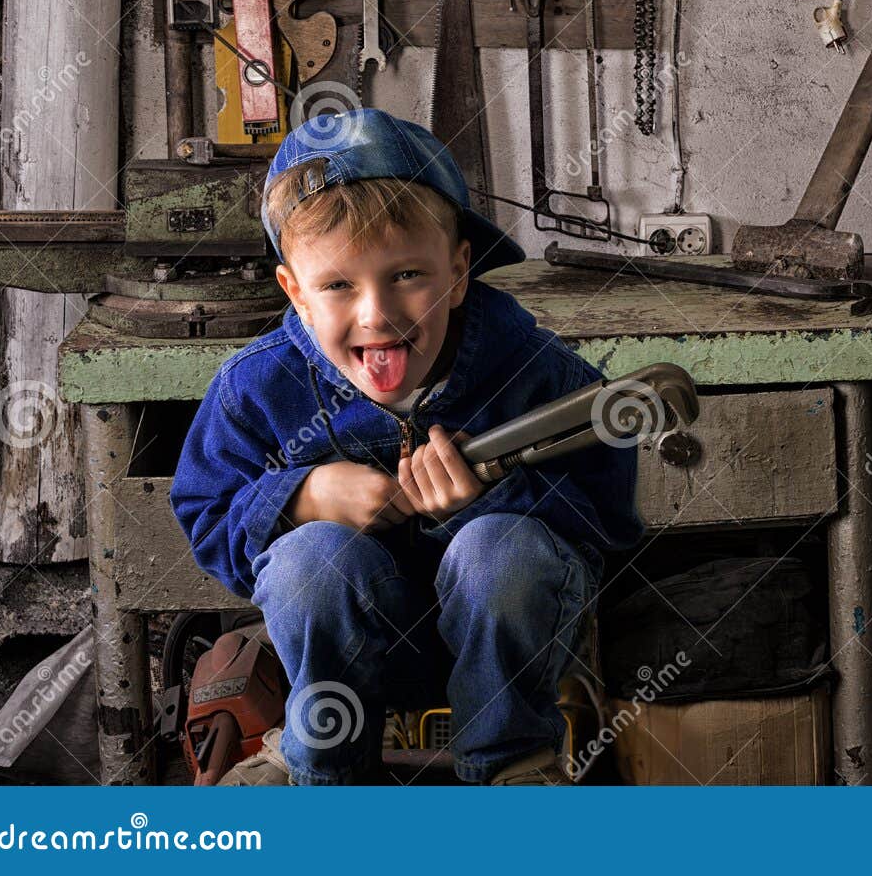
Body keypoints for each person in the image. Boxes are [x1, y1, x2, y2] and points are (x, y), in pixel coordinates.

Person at [170, 108, 641, 785]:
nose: (376, 313)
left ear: (456, 270)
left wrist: (494, 496)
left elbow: (608, 518)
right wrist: (299, 498)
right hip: (355, 646)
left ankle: (514, 764)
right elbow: (206, 511)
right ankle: (318, 768)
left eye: (407, 276)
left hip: (510, 645)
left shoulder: (536, 370)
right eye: (338, 285)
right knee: (309, 560)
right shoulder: (257, 387)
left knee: (497, 551)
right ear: (295, 294)